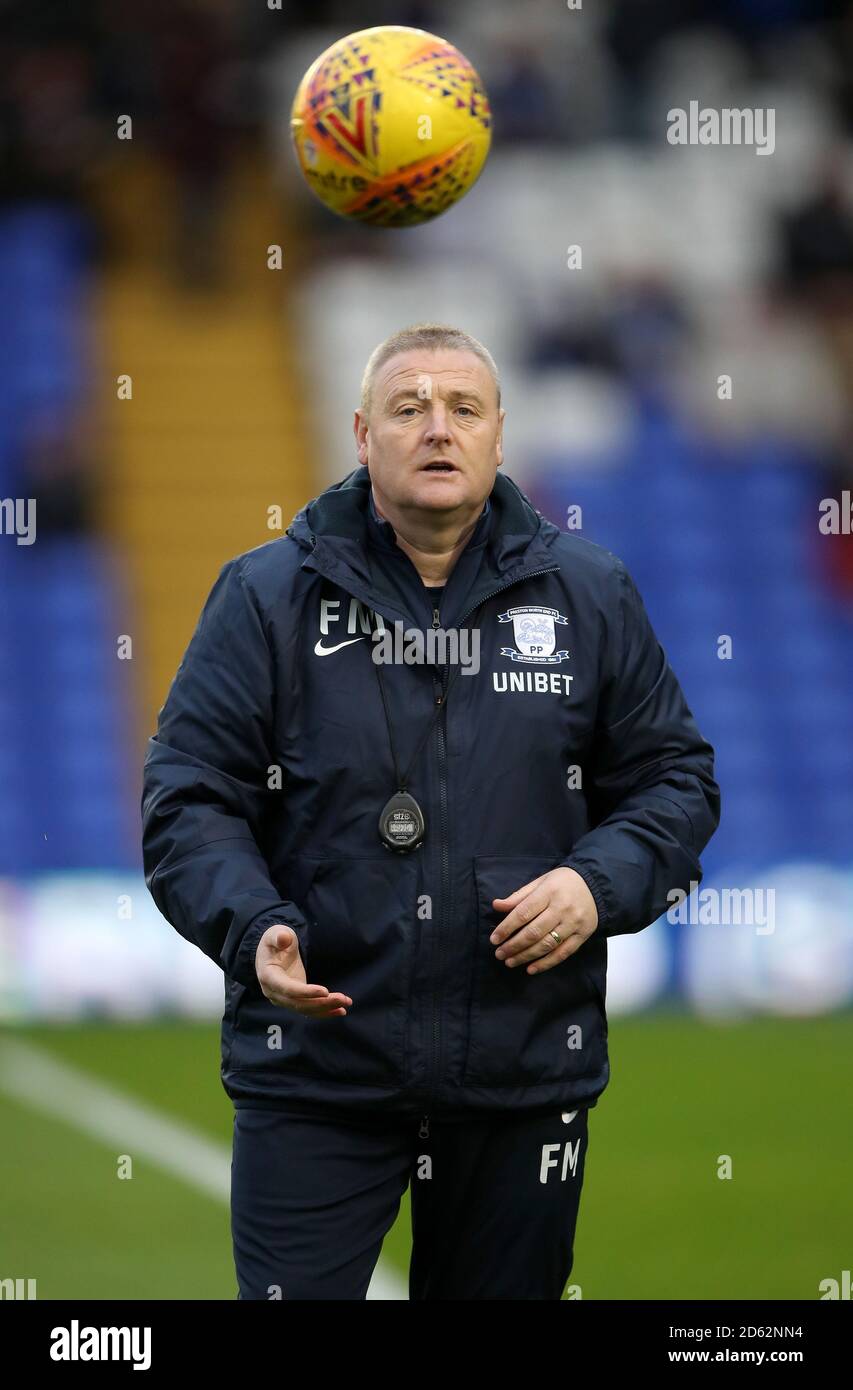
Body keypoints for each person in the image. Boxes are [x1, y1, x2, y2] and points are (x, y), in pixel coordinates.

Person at [141, 321, 720, 1300]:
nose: (436, 428)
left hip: (520, 1070)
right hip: (317, 1068)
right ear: (363, 435)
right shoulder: (264, 597)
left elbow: (676, 780)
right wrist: (256, 927)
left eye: (462, 408)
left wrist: (595, 882)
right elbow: (187, 797)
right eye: (408, 408)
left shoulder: (588, 594)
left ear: (500, 435)